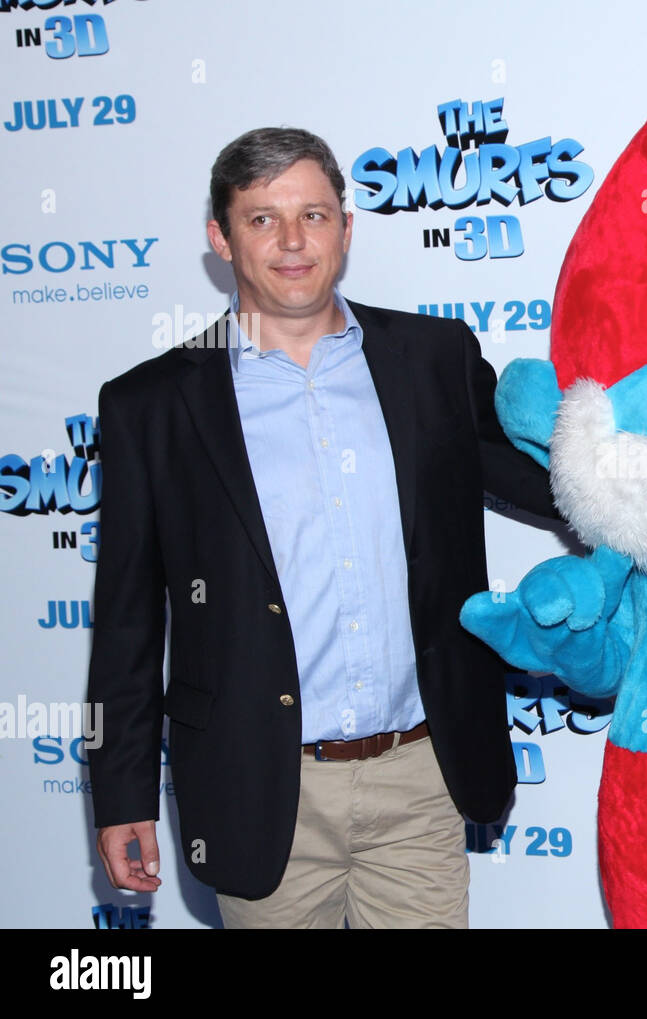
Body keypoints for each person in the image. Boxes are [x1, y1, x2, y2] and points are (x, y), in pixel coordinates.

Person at [87, 127, 555, 928]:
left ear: (347, 227)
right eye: (262, 219)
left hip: (421, 776)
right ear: (219, 237)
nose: (293, 241)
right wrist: (120, 792)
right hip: (259, 783)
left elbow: (537, 477)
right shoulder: (152, 406)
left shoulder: (433, 356)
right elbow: (128, 620)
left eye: (314, 214)